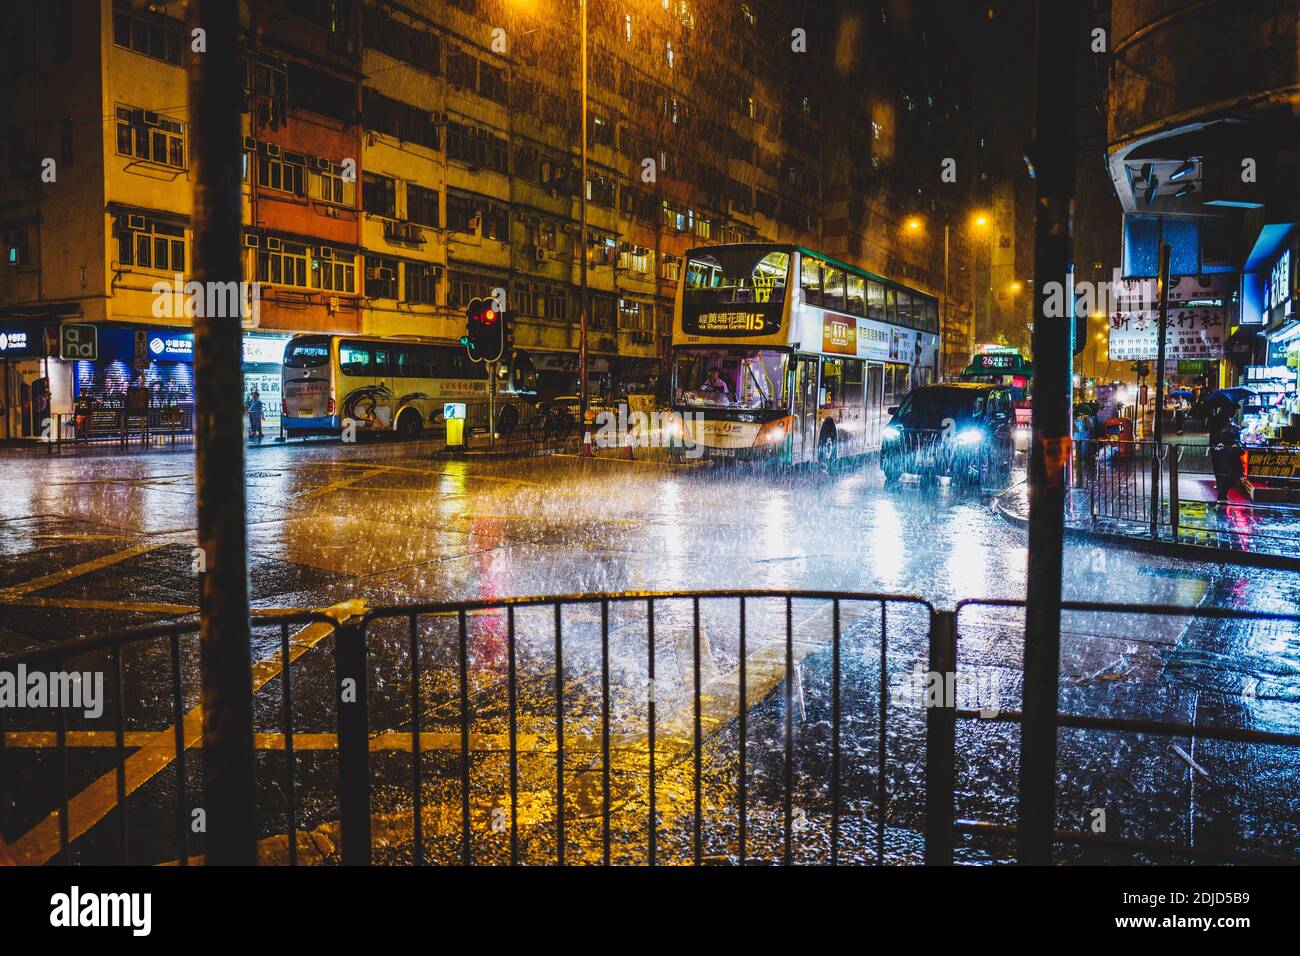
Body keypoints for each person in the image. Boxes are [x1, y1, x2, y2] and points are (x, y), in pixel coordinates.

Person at [1208, 412, 1244, 502]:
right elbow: (1218, 435)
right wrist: (1227, 430)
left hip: (1227, 451)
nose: (1235, 411)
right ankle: (1222, 492)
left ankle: (1222, 492)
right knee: (1234, 472)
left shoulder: (1225, 417)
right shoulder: (1220, 417)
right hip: (1226, 451)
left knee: (1231, 472)